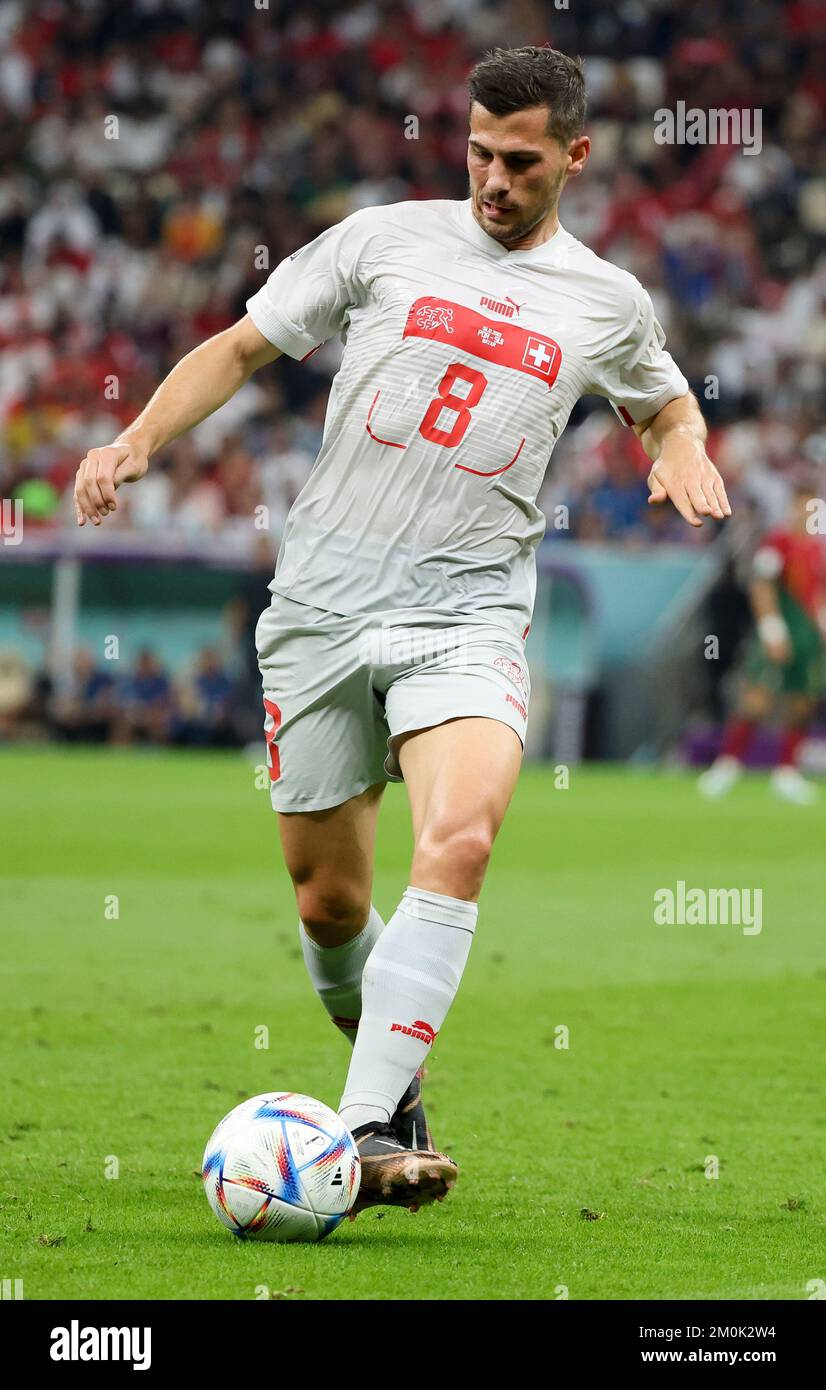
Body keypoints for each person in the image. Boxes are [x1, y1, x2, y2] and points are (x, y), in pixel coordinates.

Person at [73, 46, 730, 1215]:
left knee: (461, 838)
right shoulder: (382, 238)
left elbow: (660, 390)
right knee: (328, 907)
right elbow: (239, 346)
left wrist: (676, 439)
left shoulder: (605, 300)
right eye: (478, 152)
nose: (492, 178)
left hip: (466, 617)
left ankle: (365, 1124)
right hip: (322, 609)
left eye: (520, 162)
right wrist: (134, 445)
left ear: (575, 157)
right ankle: (400, 1081)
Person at [700, 480, 824, 804]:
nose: (808, 512)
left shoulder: (817, 549)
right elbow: (761, 585)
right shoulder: (778, 542)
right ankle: (726, 767)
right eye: (803, 506)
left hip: (809, 637)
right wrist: (772, 628)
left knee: (802, 703)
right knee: (757, 699)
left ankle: (787, 773)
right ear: (792, 507)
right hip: (782, 631)